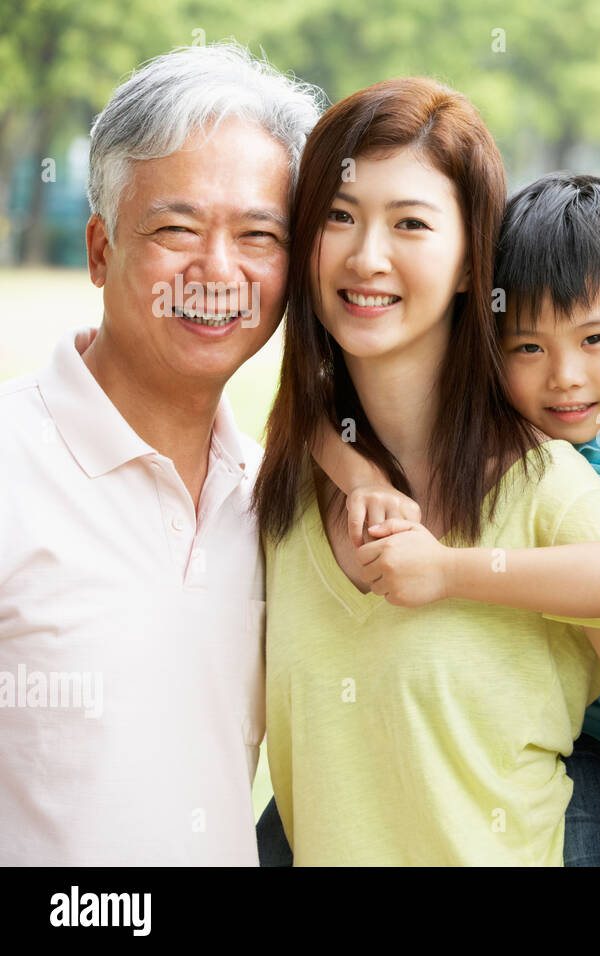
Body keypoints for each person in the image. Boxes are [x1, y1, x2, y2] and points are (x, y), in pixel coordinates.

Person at [253, 78, 600, 865]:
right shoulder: (285, 484)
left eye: (411, 223)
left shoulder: (550, 491)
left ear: (469, 264)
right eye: (338, 216)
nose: (366, 255)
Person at [0, 42, 321, 865]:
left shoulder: (276, 503)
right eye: (176, 229)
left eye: (259, 235)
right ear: (101, 250)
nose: (217, 271)